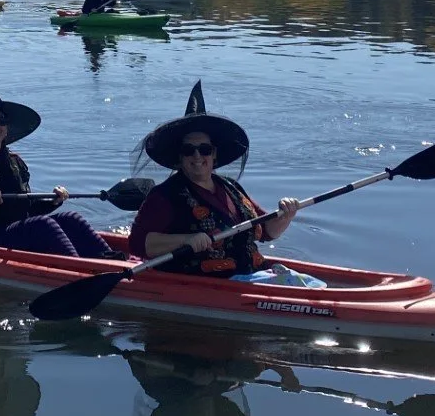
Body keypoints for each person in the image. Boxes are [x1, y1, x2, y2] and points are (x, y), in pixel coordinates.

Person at [127, 82, 317, 285]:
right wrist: (186, 240)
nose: (197, 156)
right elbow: (137, 244)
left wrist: (287, 214)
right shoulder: (164, 196)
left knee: (311, 283)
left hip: (251, 275)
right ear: (180, 157)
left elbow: (267, 232)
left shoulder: (231, 187)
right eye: (189, 150)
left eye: (205, 149)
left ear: (214, 153)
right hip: (206, 284)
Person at [0, 72, 115, 259]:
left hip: (12, 232)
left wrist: (52, 202)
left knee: (73, 219)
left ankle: (114, 263)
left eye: (0, 121)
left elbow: (24, 208)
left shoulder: (16, 164)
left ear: (7, 129)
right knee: (43, 226)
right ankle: (80, 274)